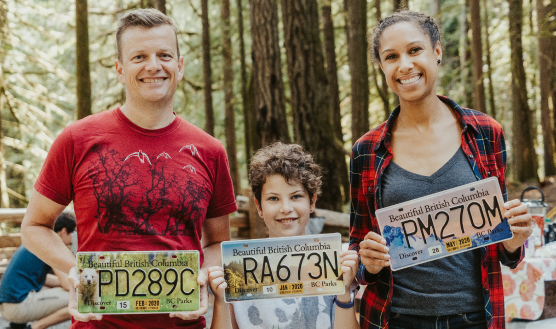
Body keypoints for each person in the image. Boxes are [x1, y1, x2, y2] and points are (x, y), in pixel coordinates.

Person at [20, 8, 236, 329]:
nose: (153, 66)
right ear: (120, 70)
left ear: (179, 66)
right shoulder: (76, 139)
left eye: (164, 54)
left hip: (184, 324)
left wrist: (203, 275)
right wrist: (74, 271)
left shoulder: (210, 150)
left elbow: (217, 242)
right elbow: (34, 226)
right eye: (139, 57)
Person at [349, 11, 533, 329]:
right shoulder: (366, 150)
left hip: (476, 317)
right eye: (391, 56)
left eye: (415, 50)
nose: (404, 65)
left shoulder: (486, 133)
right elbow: (358, 246)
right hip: (395, 318)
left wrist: (515, 240)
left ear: (437, 51)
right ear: (382, 67)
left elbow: (503, 242)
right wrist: (368, 262)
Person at [208, 142, 360, 329]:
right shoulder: (239, 269)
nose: (286, 209)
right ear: (259, 207)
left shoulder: (335, 262)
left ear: (312, 202)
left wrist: (344, 291)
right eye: (273, 198)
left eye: (296, 196)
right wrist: (221, 299)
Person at [0, 213, 75, 329]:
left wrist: (68, 281)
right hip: (17, 307)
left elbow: (46, 279)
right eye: (73, 234)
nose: (72, 241)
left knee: (58, 290)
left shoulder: (38, 240)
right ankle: (35, 327)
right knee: (80, 299)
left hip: (7, 307)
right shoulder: (51, 244)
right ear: (64, 231)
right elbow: (67, 285)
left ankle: (17, 326)